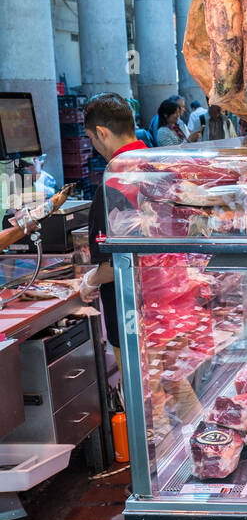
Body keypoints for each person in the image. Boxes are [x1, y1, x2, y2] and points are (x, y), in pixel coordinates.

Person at [78, 93, 147, 388]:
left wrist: (90, 281)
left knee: (146, 406)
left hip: (133, 317)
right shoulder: (156, 165)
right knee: (176, 398)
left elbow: (115, 262)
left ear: (102, 133)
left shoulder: (115, 180)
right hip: (170, 308)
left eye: (92, 139)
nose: (93, 147)